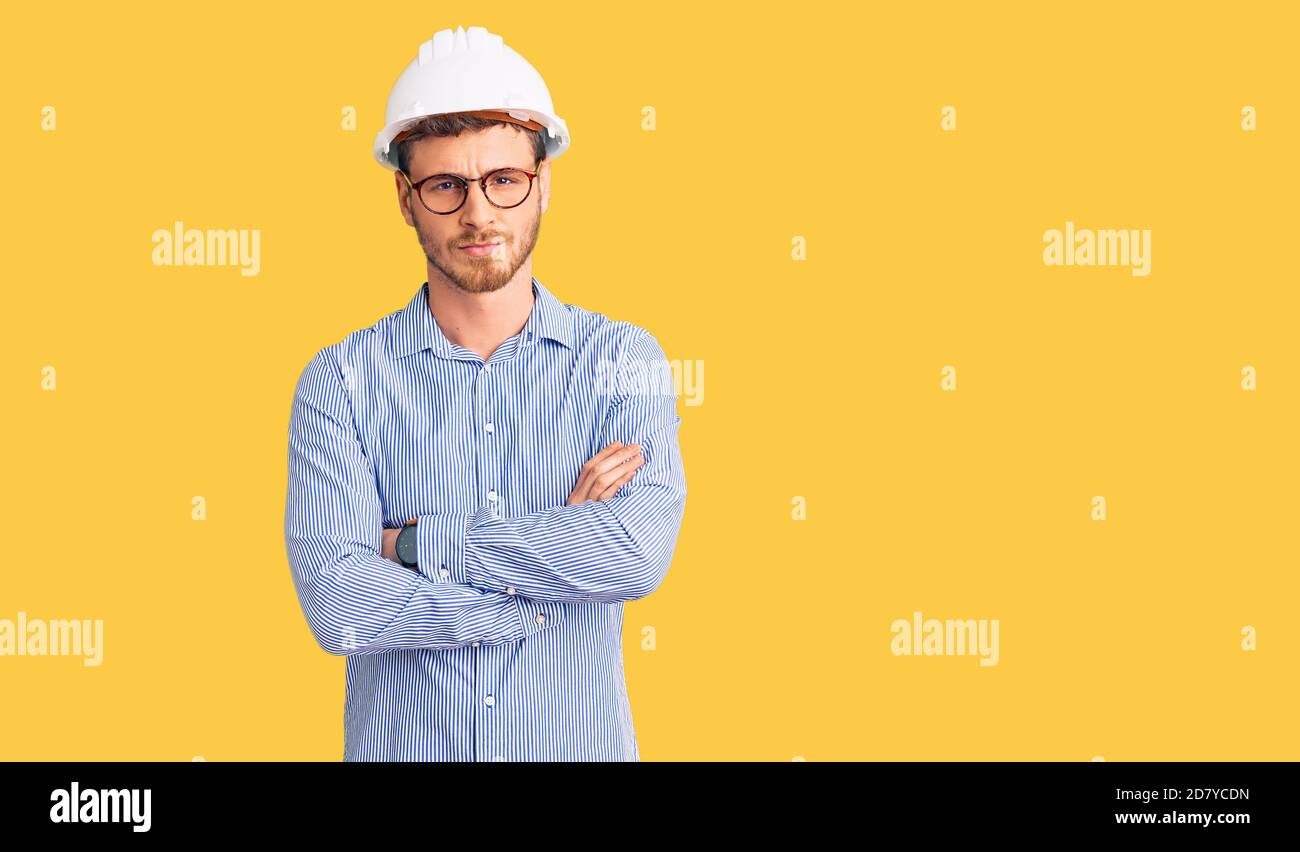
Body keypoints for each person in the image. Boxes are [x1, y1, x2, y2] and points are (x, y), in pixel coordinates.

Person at [283, 25, 687, 761]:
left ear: (543, 182)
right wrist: (546, 580)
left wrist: (411, 546)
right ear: (406, 199)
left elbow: (633, 555)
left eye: (504, 179)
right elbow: (338, 607)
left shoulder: (623, 361)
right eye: (446, 186)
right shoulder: (339, 383)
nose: (478, 213)